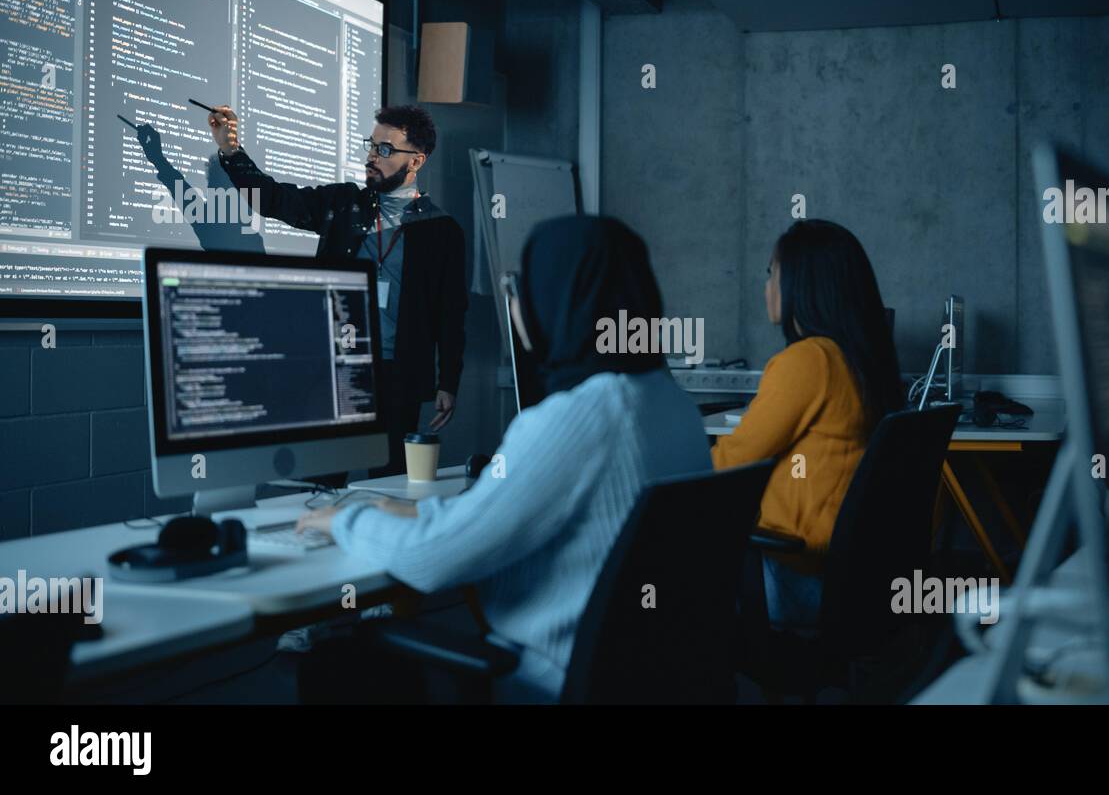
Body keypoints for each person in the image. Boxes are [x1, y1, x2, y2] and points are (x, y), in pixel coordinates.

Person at [295, 215, 712, 702]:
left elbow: (433, 559)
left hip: (549, 679)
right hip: (649, 677)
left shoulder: (576, 417)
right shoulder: (673, 404)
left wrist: (347, 519)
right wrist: (415, 511)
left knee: (336, 660)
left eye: (520, 286)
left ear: (554, 295)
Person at [206, 103, 467, 476]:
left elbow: (451, 312)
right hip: (336, 369)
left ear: (416, 162)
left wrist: (449, 382)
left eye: (386, 150)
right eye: (372, 146)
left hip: (399, 376)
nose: (372, 157)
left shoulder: (442, 230)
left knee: (390, 484)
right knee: (322, 484)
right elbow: (275, 199)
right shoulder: (344, 205)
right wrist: (231, 150)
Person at [711, 219, 904, 629]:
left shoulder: (806, 361)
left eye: (772, 273)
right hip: (852, 578)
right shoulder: (861, 359)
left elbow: (729, 465)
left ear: (802, 281)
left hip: (794, 576)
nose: (766, 286)